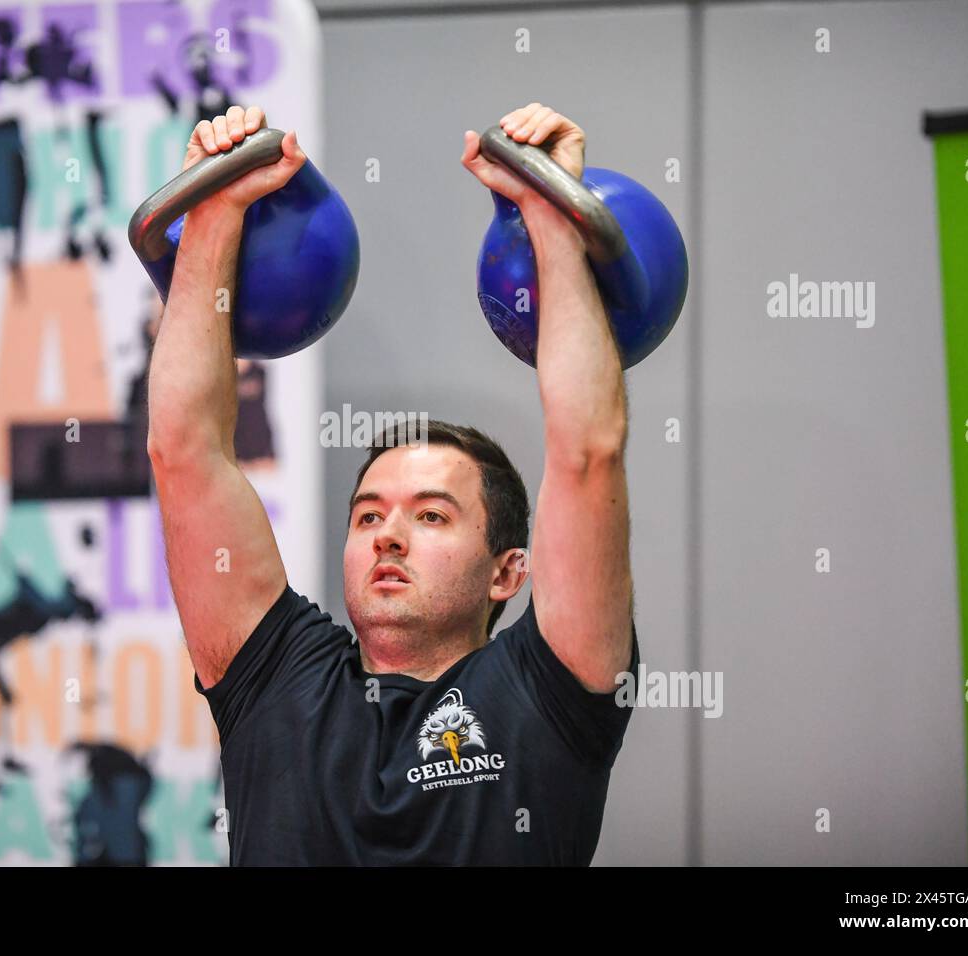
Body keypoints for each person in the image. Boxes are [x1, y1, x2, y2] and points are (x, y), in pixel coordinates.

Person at [144, 104, 639, 865]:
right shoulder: (279, 679)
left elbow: (587, 453)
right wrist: (215, 211)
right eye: (368, 515)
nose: (389, 535)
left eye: (433, 517)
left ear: (508, 571)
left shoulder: (551, 692)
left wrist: (551, 216)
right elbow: (185, 452)